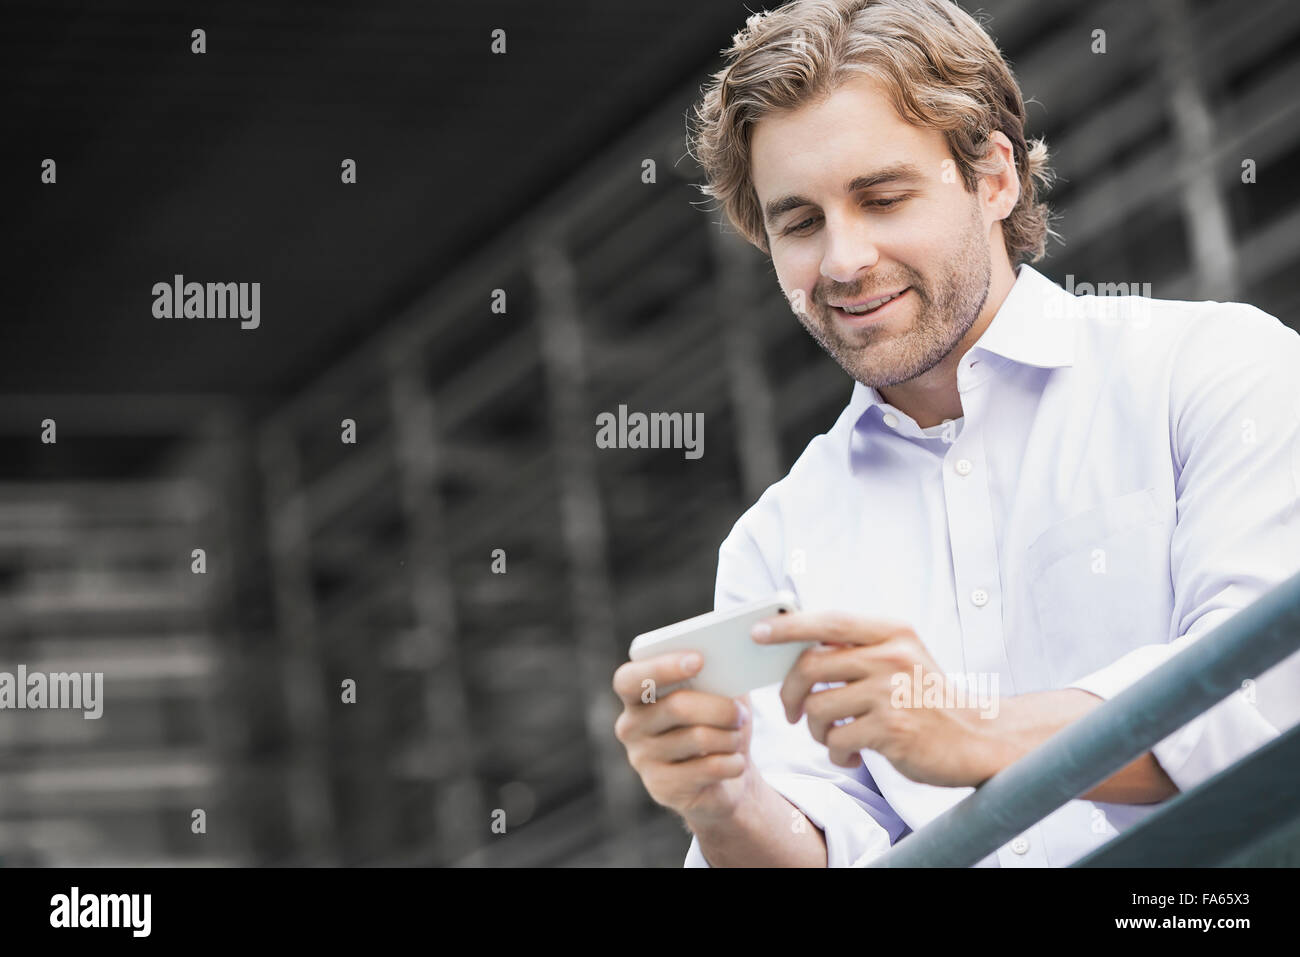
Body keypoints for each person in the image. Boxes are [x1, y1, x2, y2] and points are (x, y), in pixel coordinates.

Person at [611, 0, 1300, 866]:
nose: (845, 261)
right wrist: (723, 801)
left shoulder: (1214, 370)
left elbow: (1272, 698)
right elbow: (825, 849)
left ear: (994, 178)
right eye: (800, 222)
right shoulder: (777, 545)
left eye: (883, 196)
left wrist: (969, 729)